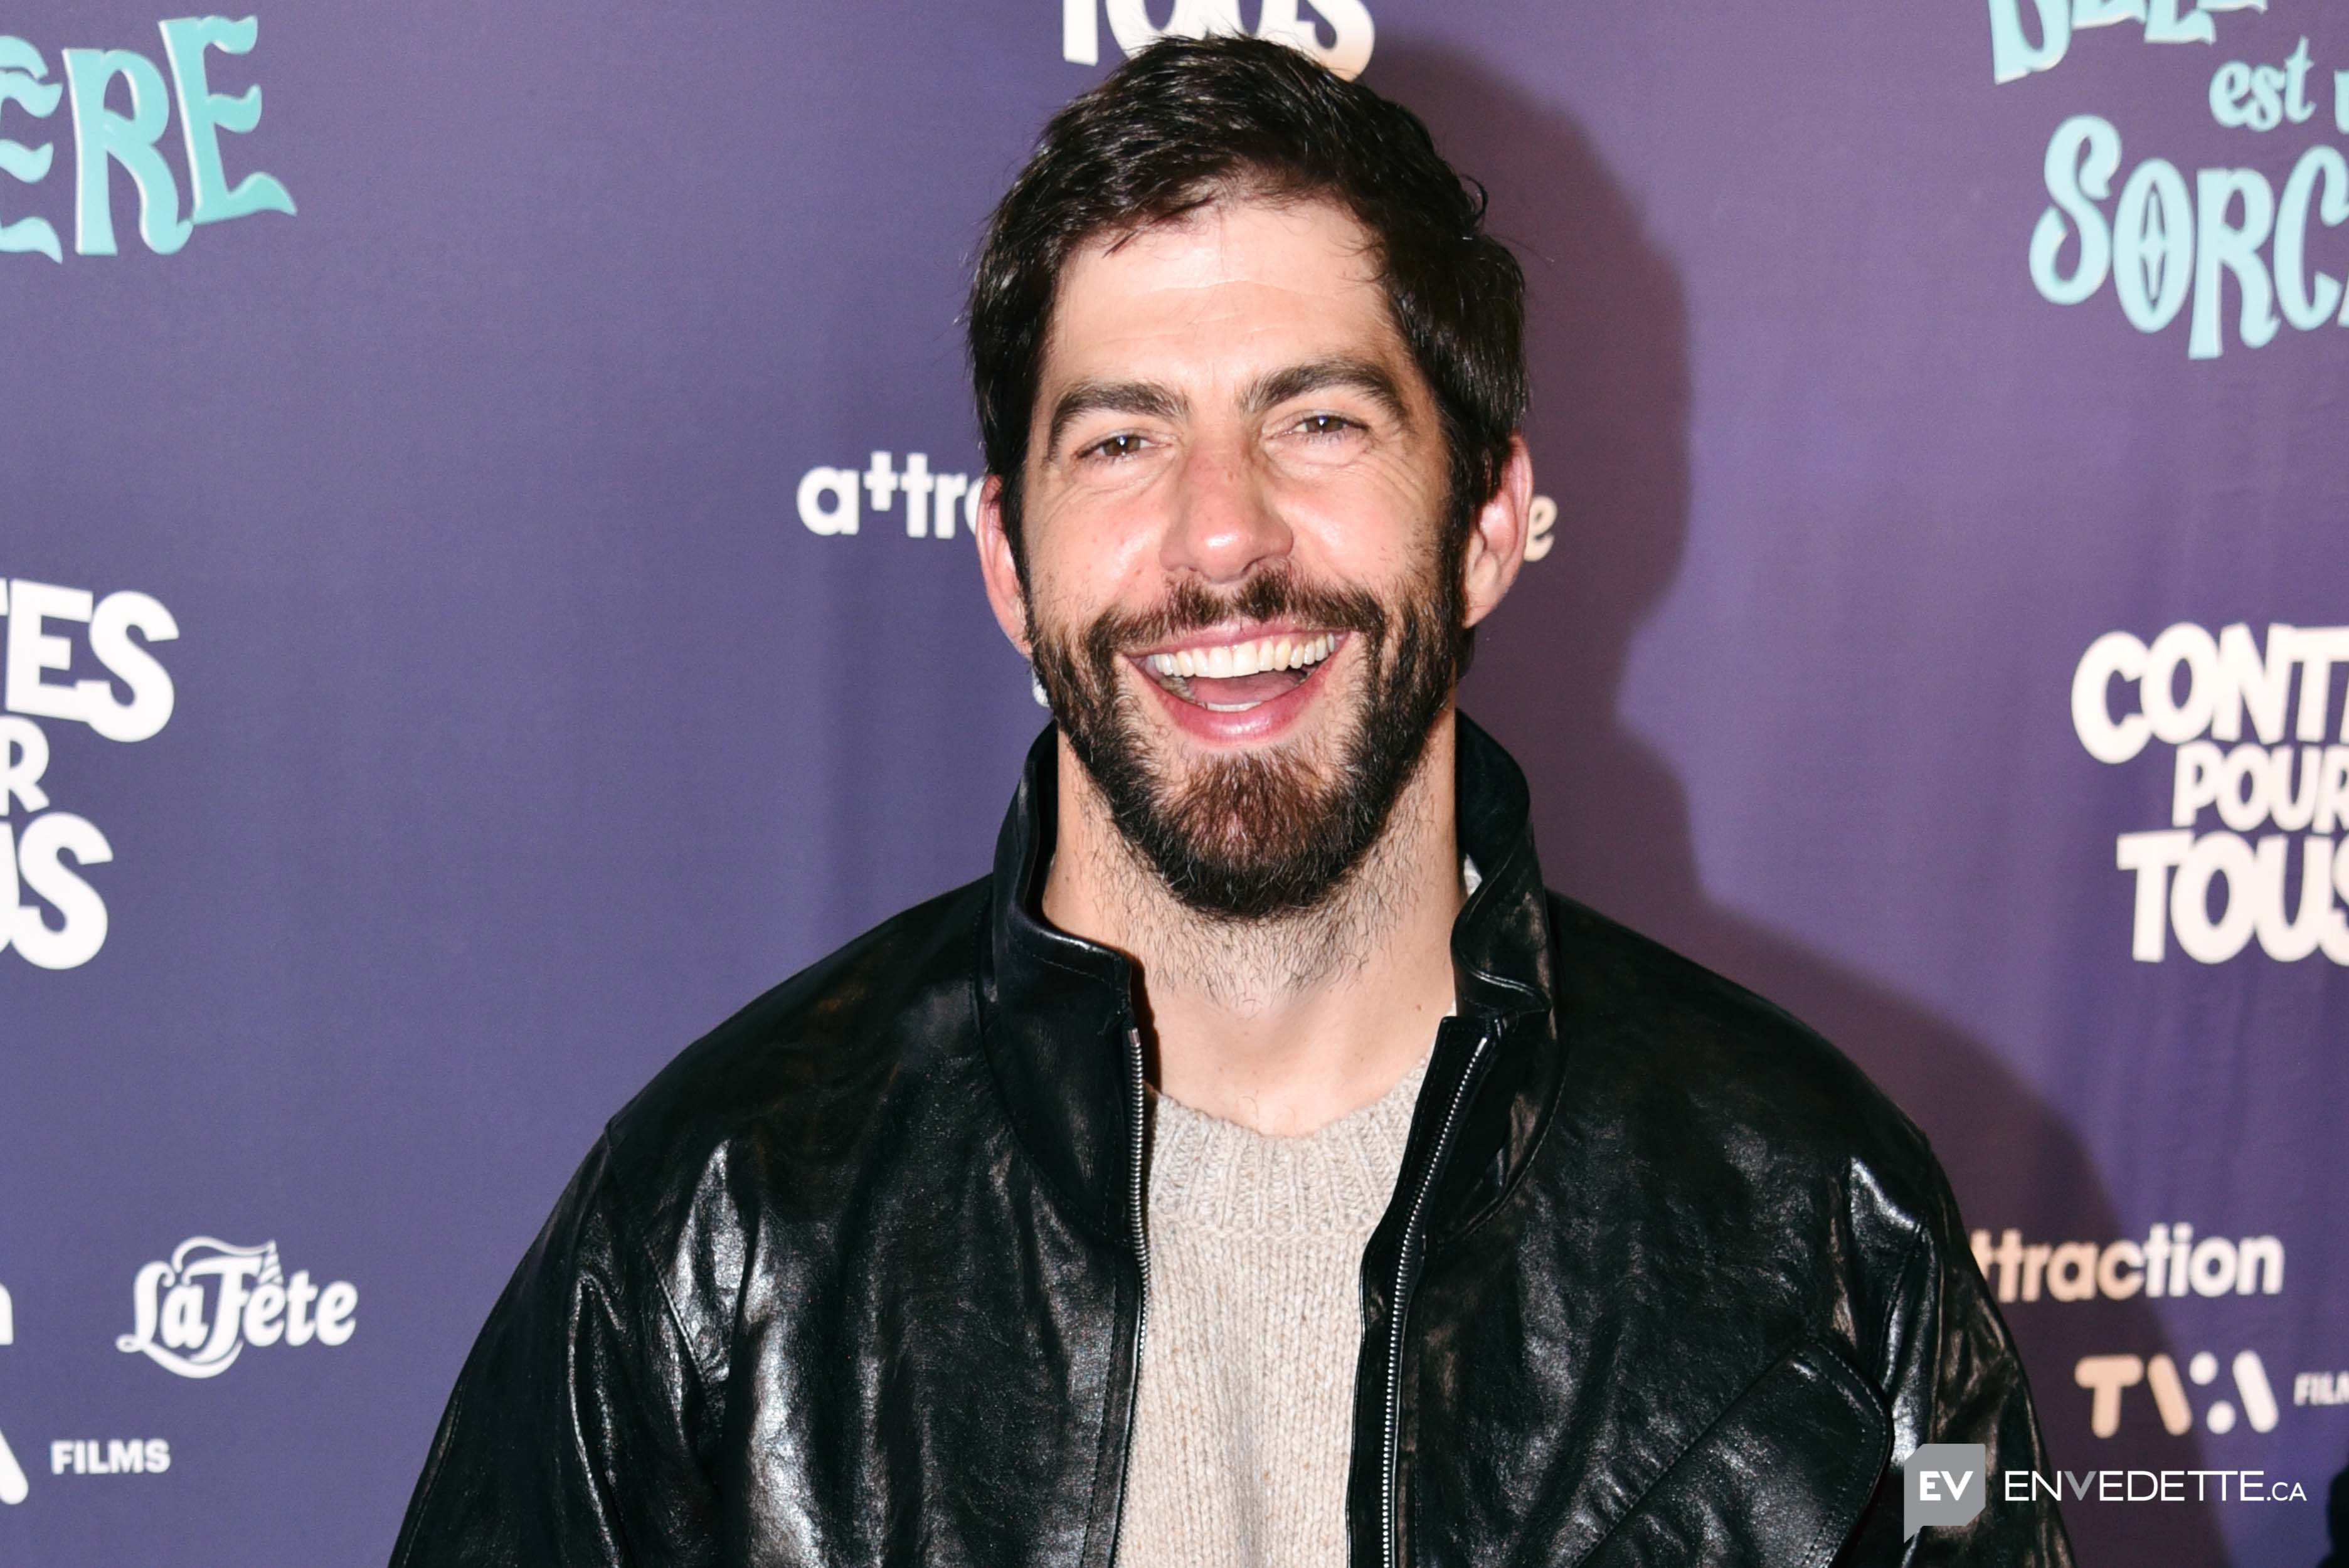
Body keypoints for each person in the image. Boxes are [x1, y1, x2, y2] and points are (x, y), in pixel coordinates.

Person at [390, 34, 2071, 1568]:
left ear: (1486, 520)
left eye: (1317, 420)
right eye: (1122, 443)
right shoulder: (716, 1227)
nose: (1219, 537)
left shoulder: (1813, 1226)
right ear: (1003, 557)